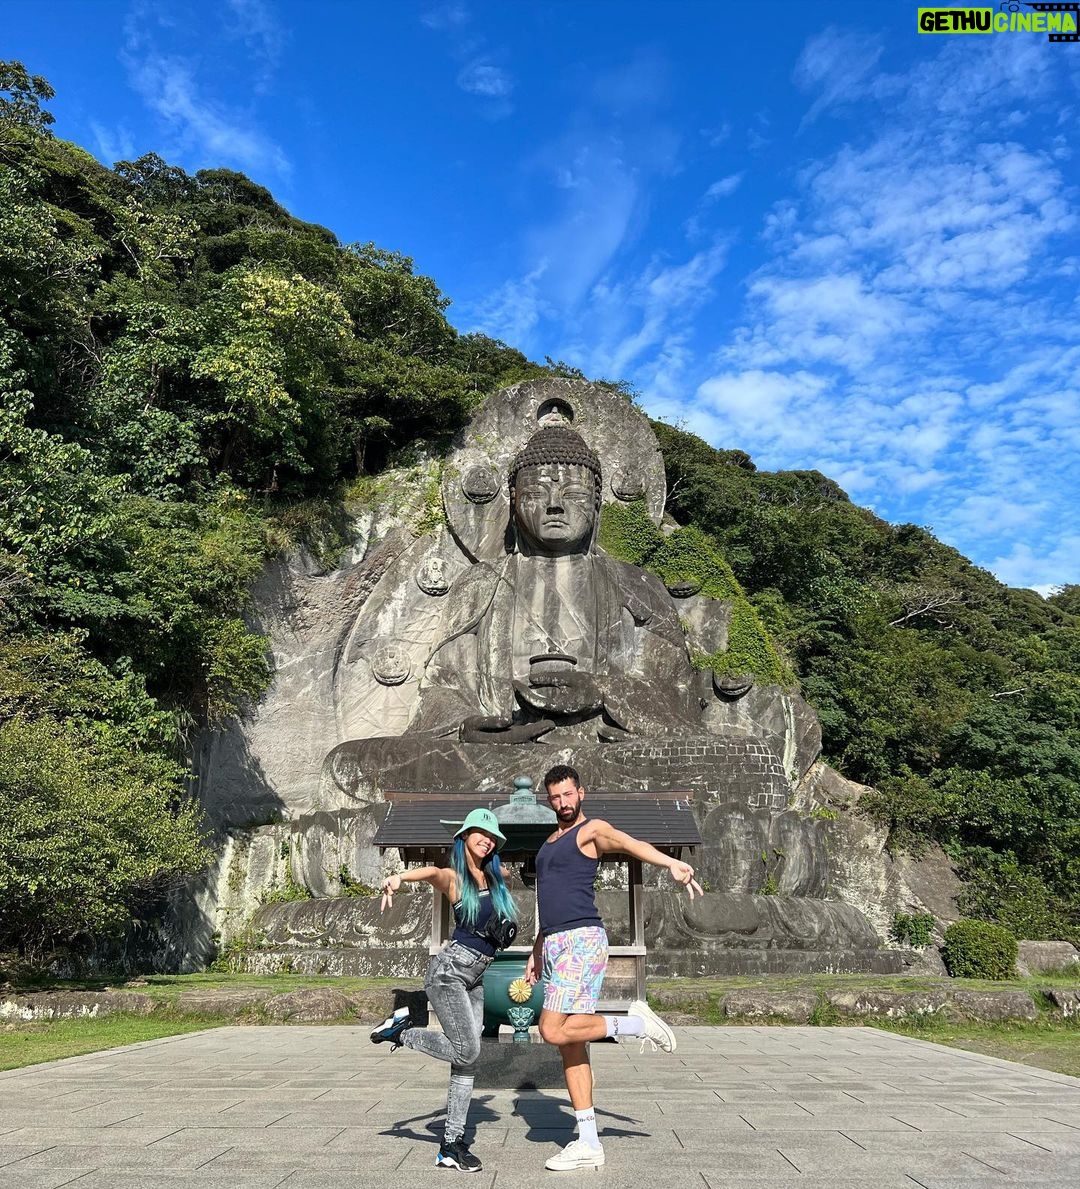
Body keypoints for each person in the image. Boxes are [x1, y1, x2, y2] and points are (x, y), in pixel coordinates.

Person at [524, 764, 703, 1172]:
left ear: (580, 793)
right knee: (570, 1044)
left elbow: (628, 842)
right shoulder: (548, 843)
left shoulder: (590, 831)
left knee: (551, 1030)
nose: (563, 803)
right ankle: (588, 1142)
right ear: (548, 800)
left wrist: (669, 864)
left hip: (581, 940)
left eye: (568, 794)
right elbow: (547, 902)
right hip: (556, 942)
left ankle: (636, 1025)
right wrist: (537, 949)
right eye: (555, 797)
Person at [369, 807, 518, 1173]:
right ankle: (402, 1033)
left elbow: (511, 875)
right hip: (450, 972)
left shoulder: (494, 877)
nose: (487, 840)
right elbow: (432, 873)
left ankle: (451, 1146)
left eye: (492, 837)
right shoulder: (454, 877)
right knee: (467, 1047)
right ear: (465, 835)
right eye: (480, 833)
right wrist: (398, 877)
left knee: (467, 1059)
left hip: (476, 976)